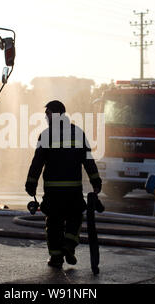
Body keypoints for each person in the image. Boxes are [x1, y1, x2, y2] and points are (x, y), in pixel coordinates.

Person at [25, 100, 102, 269]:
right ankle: (69, 245)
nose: (46, 117)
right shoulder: (78, 133)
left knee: (53, 222)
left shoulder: (45, 135)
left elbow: (37, 162)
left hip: (53, 191)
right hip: (73, 189)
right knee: (75, 217)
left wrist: (30, 184)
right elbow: (88, 160)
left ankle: (56, 258)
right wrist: (96, 181)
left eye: (47, 114)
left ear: (54, 113)